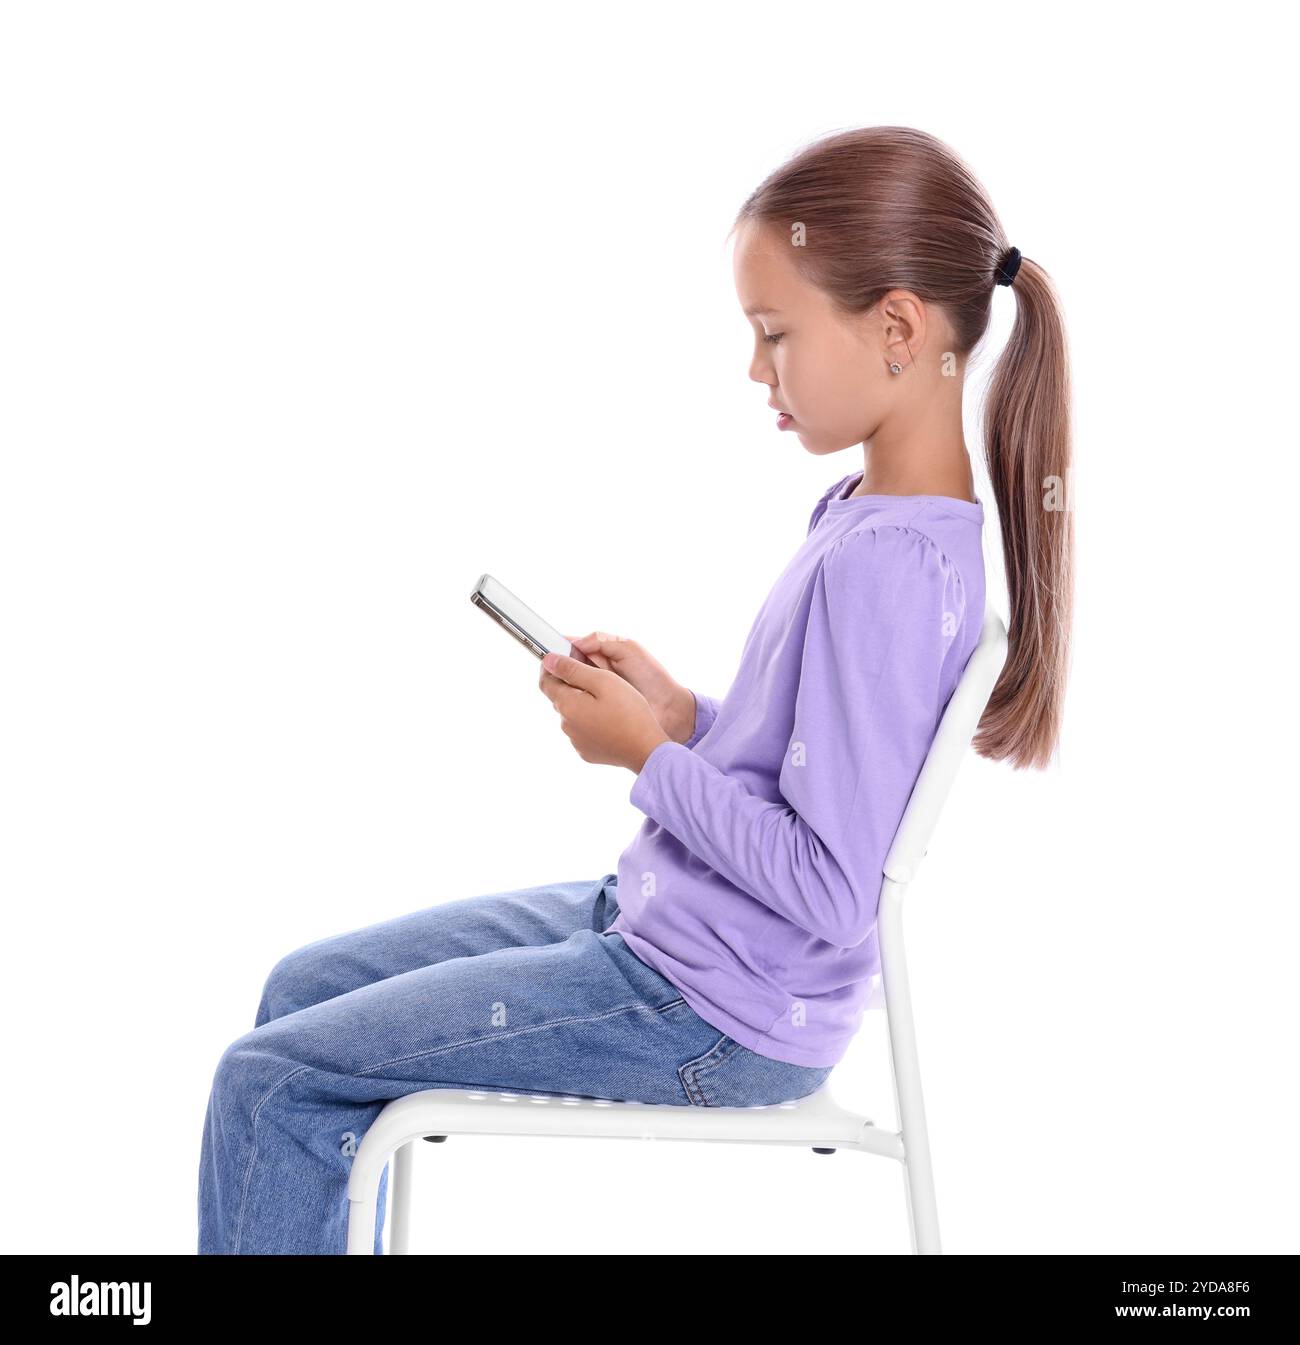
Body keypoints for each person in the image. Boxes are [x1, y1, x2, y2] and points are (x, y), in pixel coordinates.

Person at [198, 124, 1073, 1254]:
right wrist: (683, 720)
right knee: (296, 990)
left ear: (897, 330)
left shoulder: (889, 570)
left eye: (774, 334)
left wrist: (649, 764)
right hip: (672, 923)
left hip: (715, 1009)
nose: (755, 369)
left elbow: (831, 885)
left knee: (267, 1084)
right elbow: (803, 774)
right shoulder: (870, 519)